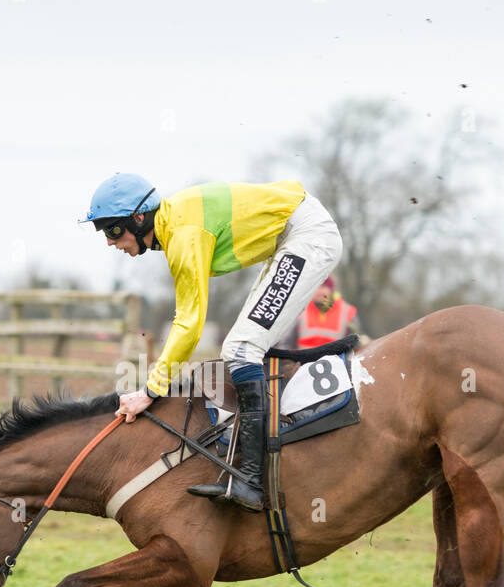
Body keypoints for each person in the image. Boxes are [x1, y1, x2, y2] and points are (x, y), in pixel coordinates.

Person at [81, 173, 343, 512]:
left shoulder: (181, 234)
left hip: (307, 235)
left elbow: (189, 323)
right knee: (241, 346)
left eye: (113, 230)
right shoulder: (174, 224)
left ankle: (252, 478)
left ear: (139, 217)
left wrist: (150, 391)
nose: (110, 242)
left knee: (241, 349)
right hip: (294, 234)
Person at [295, 275, 364, 348]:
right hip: (304, 359)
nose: (319, 290)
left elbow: (356, 343)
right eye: (316, 287)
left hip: (337, 359)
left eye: (323, 286)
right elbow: (287, 342)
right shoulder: (300, 310)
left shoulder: (348, 312)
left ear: (331, 290)